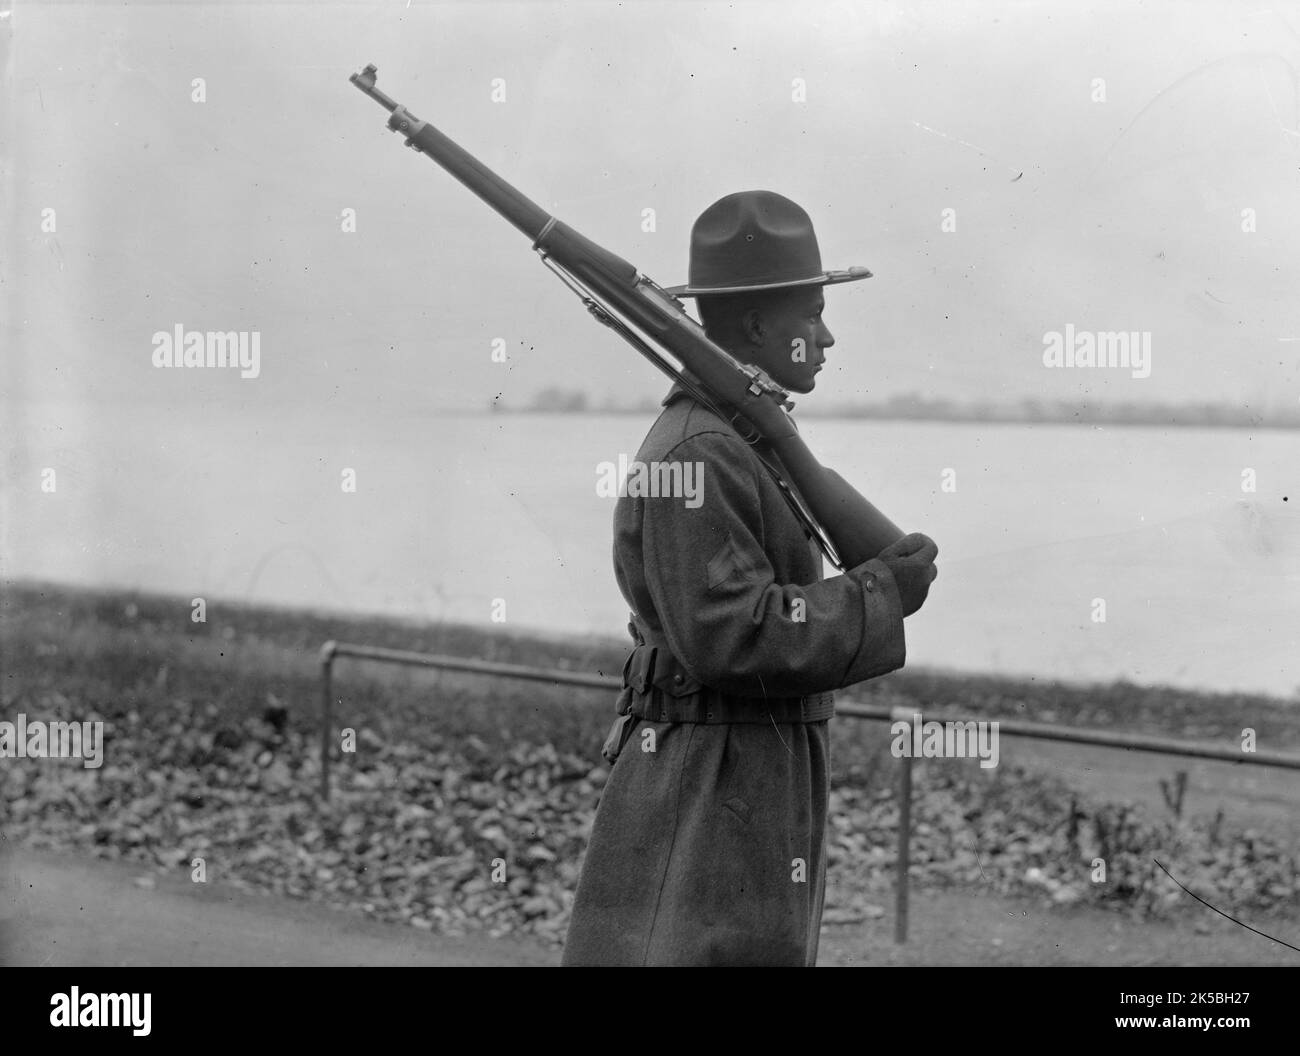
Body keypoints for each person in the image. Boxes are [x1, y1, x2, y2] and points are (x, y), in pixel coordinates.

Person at [561, 190, 939, 966]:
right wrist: (877, 598)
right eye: (811, 314)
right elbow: (731, 635)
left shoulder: (743, 439)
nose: (827, 336)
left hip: (747, 770)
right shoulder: (700, 453)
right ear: (760, 327)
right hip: (709, 780)